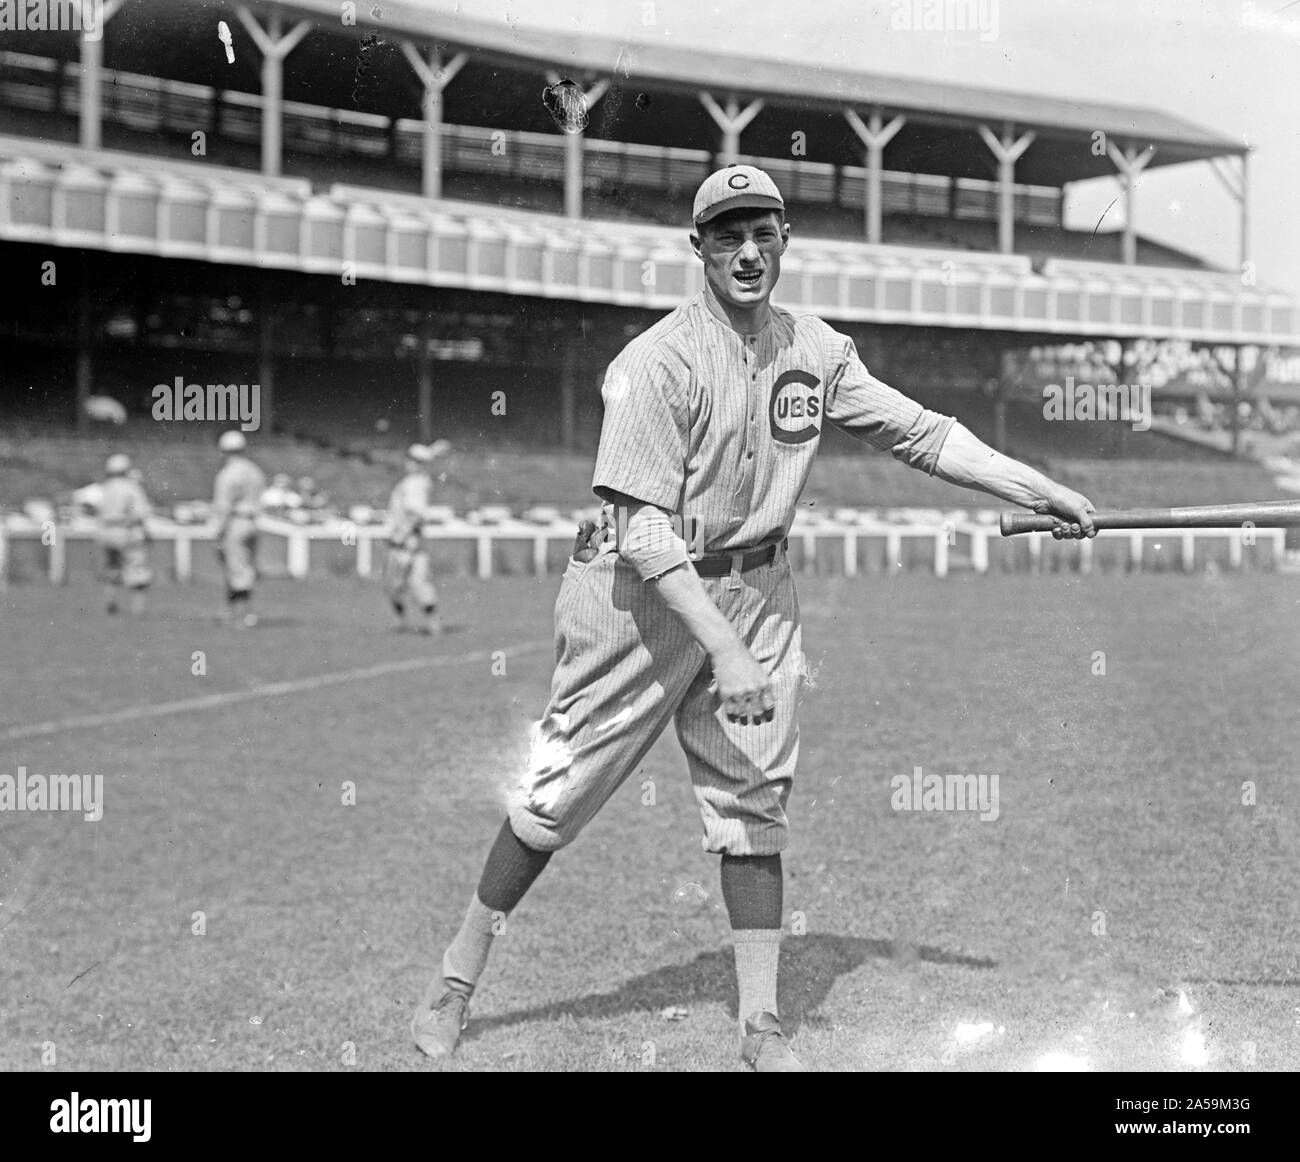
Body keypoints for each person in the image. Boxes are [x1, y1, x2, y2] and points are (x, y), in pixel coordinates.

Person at [411, 164, 1098, 1072]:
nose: (747, 252)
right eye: (727, 235)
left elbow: (921, 433)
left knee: (754, 806)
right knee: (555, 798)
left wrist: (1039, 487)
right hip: (637, 596)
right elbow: (641, 526)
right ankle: (456, 981)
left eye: (762, 233)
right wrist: (723, 648)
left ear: (784, 242)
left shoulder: (817, 350)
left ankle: (761, 1026)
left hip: (760, 585)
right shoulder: (653, 363)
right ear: (697, 248)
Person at [384, 442, 448, 635]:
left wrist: (402, 537)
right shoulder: (418, 481)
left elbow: (415, 515)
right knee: (415, 583)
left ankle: (408, 621)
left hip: (406, 541)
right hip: (412, 540)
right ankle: (428, 621)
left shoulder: (414, 484)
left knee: (398, 584)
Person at [212, 430, 266, 628]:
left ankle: (242, 616)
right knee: (246, 568)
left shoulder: (227, 474)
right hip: (253, 521)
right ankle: (233, 613)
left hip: (235, 522)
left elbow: (224, 506)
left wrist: (219, 531)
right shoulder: (254, 470)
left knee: (237, 570)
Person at [96, 453, 152, 616]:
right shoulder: (131, 487)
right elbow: (141, 513)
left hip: (106, 531)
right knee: (137, 569)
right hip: (126, 530)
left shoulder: (104, 487)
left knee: (112, 569)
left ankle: (110, 603)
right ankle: (138, 610)